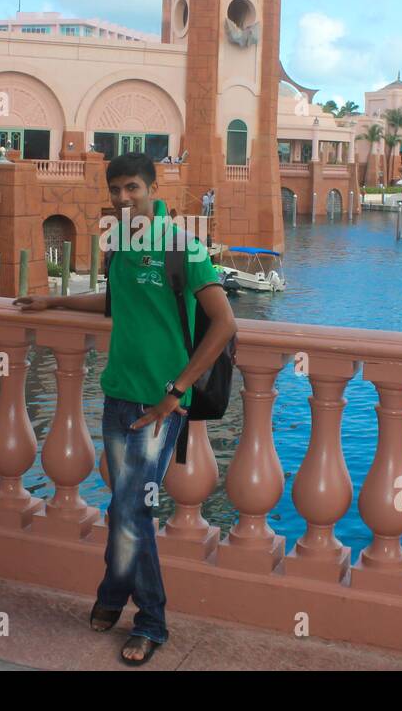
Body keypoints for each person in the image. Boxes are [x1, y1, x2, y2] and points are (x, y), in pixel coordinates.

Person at [13, 152, 236, 665]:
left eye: (132, 188)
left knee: (132, 509)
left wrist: (176, 390)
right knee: (124, 507)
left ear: (154, 188)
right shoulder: (119, 243)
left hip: (160, 406)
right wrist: (55, 302)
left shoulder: (182, 246)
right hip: (118, 394)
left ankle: (152, 621)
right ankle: (113, 593)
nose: (122, 198)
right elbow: (116, 304)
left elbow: (223, 324)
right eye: (115, 190)